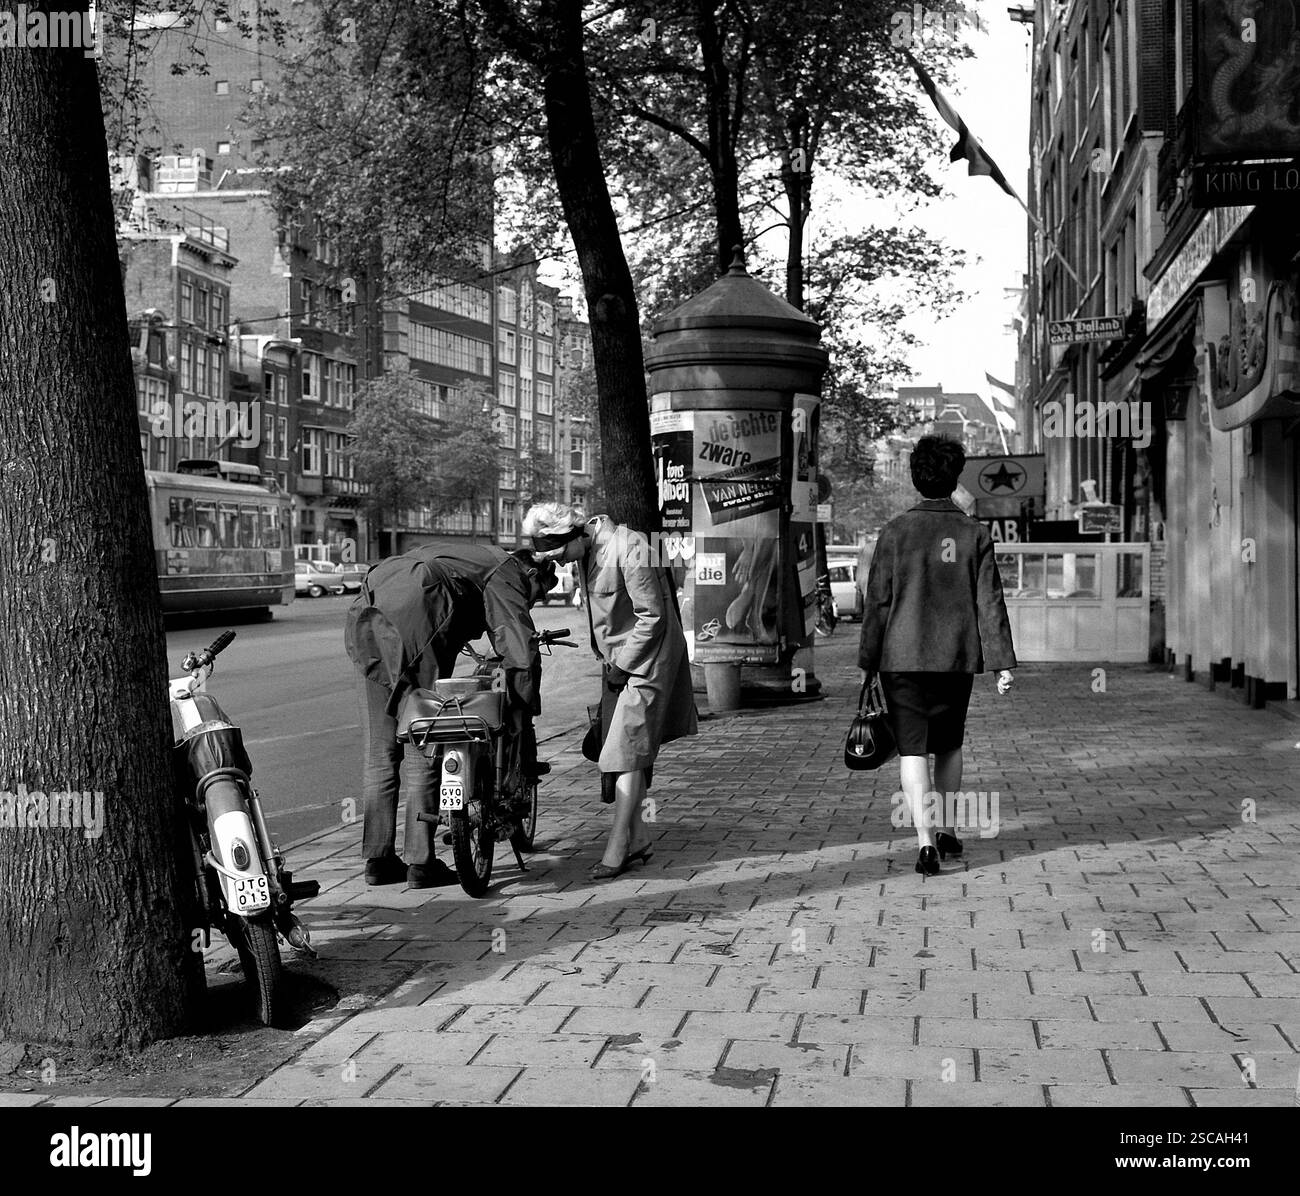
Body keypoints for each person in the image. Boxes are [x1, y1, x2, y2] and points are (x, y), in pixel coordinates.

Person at [344, 543, 555, 889]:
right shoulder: (507, 571)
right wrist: (524, 702)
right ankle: (421, 862)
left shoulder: (470, 555)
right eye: (537, 595)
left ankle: (378, 860)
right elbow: (518, 642)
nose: (532, 603)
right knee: (424, 746)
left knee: (380, 753)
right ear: (531, 574)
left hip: (367, 615)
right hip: (419, 615)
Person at [858, 436, 1016, 878]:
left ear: (915, 477)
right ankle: (947, 830)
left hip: (900, 657)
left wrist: (869, 659)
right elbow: (990, 602)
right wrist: (1002, 662)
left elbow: (878, 603)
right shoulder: (974, 533)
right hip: (955, 658)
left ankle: (925, 842)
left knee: (912, 750)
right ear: (955, 477)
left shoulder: (894, 533)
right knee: (949, 743)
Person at [523, 502, 697, 880]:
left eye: (560, 553)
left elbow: (653, 617)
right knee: (616, 748)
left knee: (625, 751)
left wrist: (622, 666)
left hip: (648, 659)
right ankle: (640, 840)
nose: (563, 564)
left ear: (573, 534)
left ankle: (617, 847)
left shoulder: (631, 547)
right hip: (618, 664)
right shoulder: (585, 551)